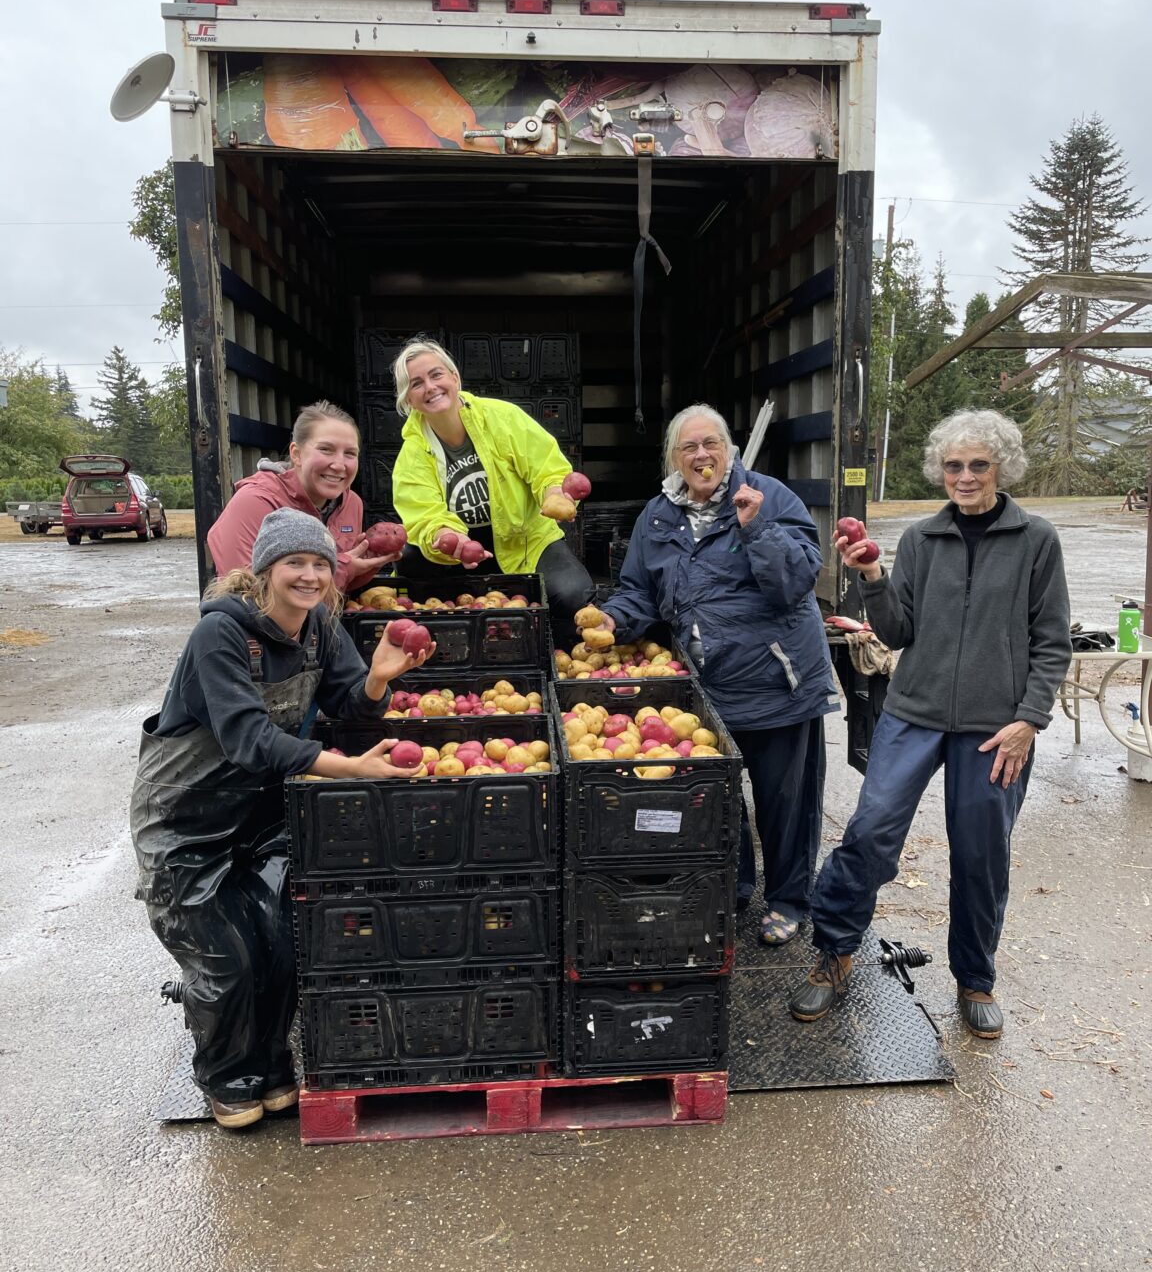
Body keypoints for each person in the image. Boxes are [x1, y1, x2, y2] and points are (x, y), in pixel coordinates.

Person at [131, 508, 431, 1130]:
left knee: (281, 942)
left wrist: (376, 681)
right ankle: (222, 1075)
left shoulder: (322, 627)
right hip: (185, 818)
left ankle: (267, 1066)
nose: (311, 576)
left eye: (321, 564)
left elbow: (349, 705)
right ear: (264, 571)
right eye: (296, 563)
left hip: (260, 810)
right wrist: (350, 770)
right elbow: (245, 738)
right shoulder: (220, 635)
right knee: (225, 960)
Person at [789, 409, 1071, 1038]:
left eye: (978, 464)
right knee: (869, 831)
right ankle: (835, 951)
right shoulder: (920, 539)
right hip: (912, 712)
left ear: (1001, 468)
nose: (964, 476)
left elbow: (1052, 641)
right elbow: (897, 632)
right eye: (953, 465)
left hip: (996, 728)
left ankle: (975, 978)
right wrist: (870, 576)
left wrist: (1029, 720)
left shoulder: (1036, 540)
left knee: (981, 852)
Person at [586, 404, 840, 944]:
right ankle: (736, 886)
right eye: (688, 447)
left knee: (784, 801)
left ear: (728, 448)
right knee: (718, 795)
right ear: (674, 458)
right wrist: (614, 618)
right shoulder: (657, 515)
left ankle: (790, 900)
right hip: (705, 685)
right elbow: (640, 591)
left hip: (777, 681)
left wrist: (758, 528)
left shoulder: (768, 498)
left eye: (711, 444)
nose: (701, 456)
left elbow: (796, 582)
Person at [390, 339, 594, 642]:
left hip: (525, 539)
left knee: (573, 593)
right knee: (410, 558)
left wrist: (554, 492)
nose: (430, 387)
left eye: (436, 375)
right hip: (463, 553)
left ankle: (561, 657)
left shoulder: (502, 418)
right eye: (416, 383)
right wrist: (452, 541)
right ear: (408, 399)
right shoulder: (412, 455)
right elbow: (423, 515)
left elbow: (545, 466)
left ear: (455, 378)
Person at [207, 400, 399, 595]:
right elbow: (249, 597)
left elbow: (336, 589)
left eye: (350, 453)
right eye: (326, 449)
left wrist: (365, 566)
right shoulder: (253, 502)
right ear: (296, 454)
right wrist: (344, 567)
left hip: (319, 624)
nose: (340, 465)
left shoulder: (351, 504)